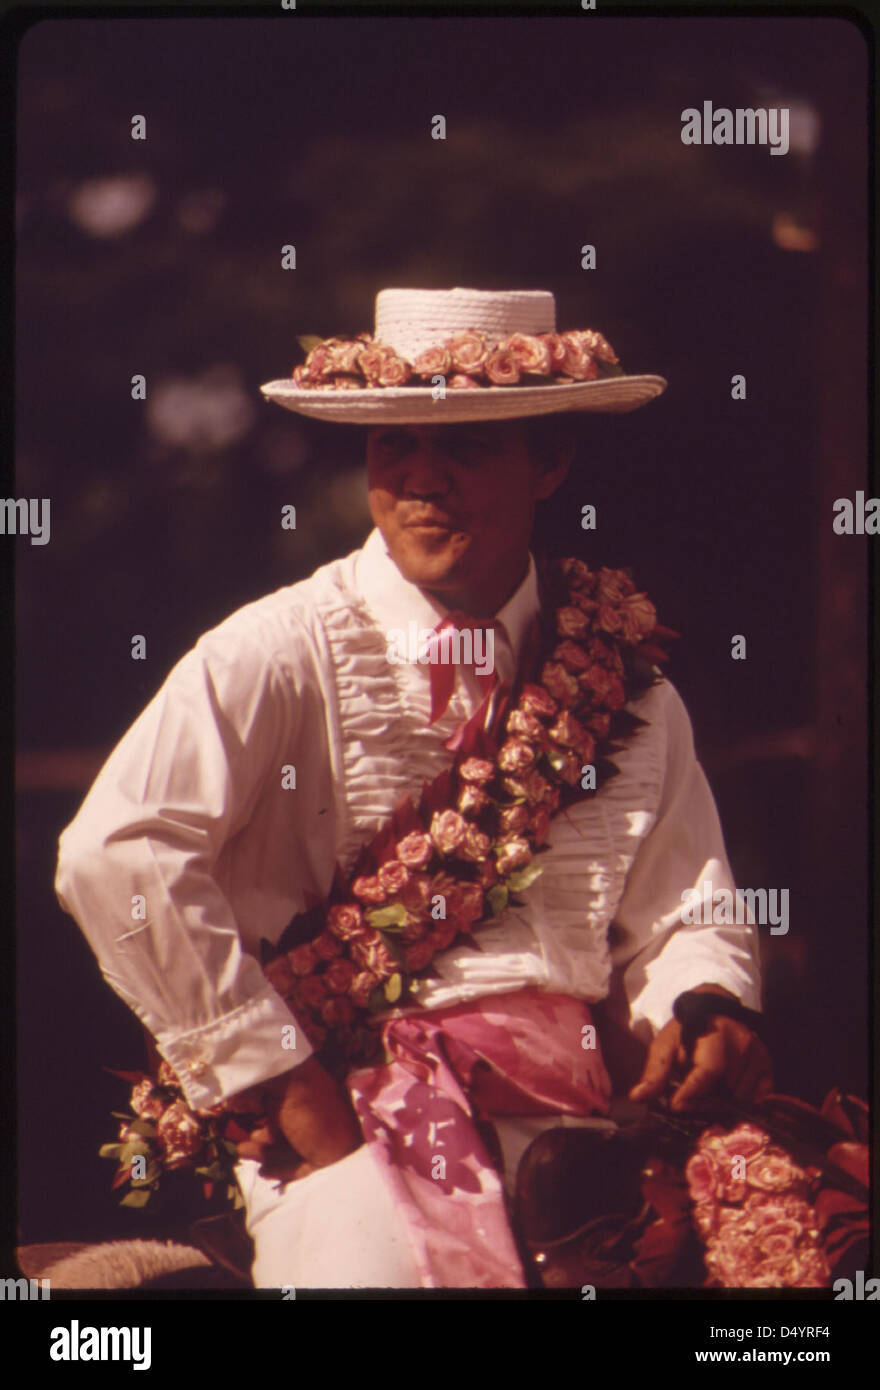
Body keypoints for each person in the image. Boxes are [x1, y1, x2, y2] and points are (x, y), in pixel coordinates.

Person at [54, 287, 770, 1289]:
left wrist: (706, 996)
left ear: (550, 462)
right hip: (357, 1111)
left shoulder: (631, 685)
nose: (423, 481)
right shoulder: (279, 650)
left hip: (585, 1126)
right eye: (394, 447)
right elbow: (115, 853)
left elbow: (685, 909)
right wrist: (273, 1072)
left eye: (467, 448)